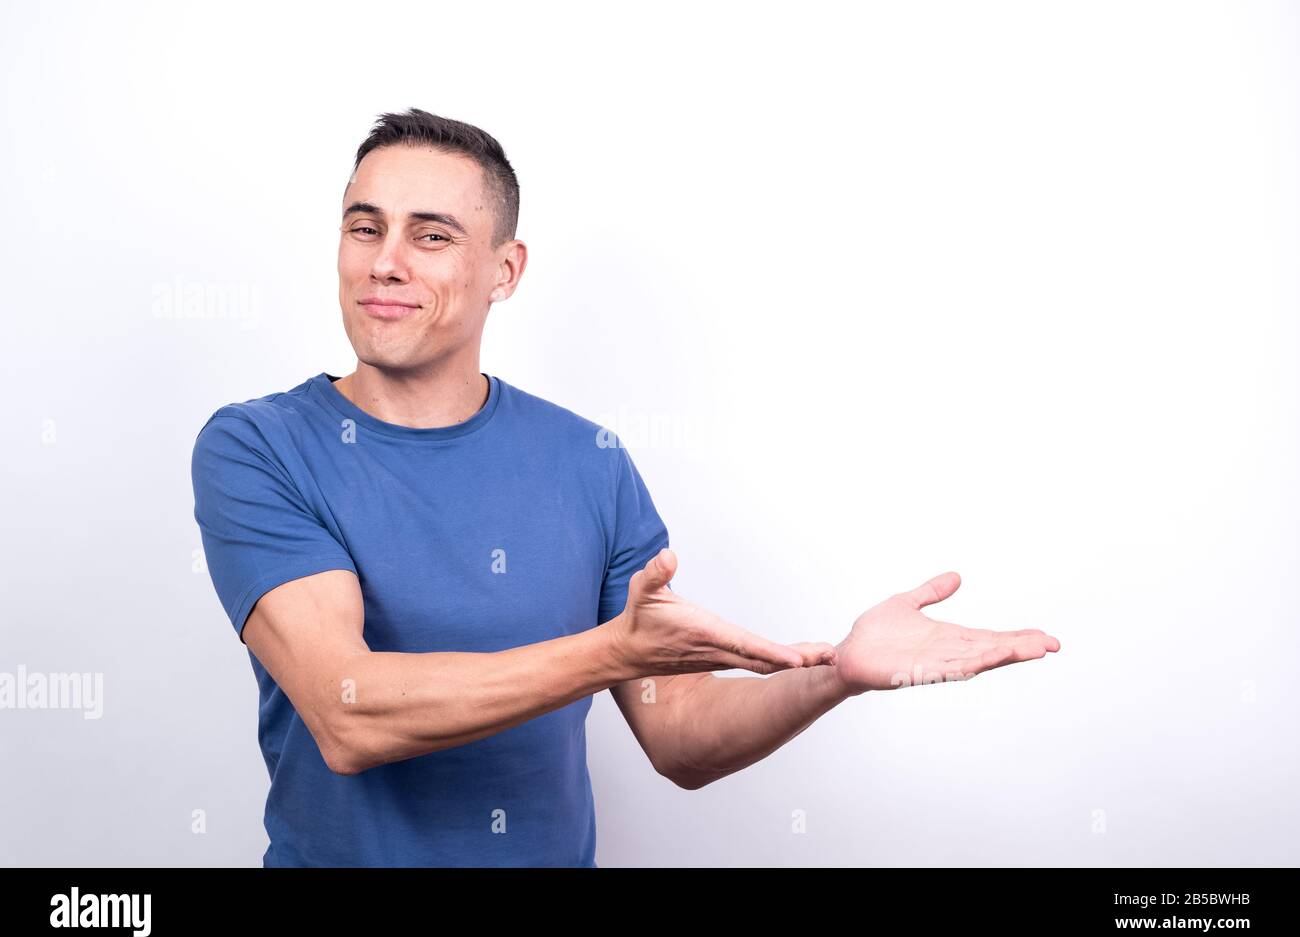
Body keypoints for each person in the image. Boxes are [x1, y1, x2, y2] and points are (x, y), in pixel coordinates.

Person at [190, 108, 1061, 867]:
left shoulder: (587, 459)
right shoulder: (260, 447)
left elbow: (677, 732)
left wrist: (835, 675)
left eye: (432, 234)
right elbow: (351, 714)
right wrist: (612, 649)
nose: (385, 262)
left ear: (505, 269)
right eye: (364, 226)